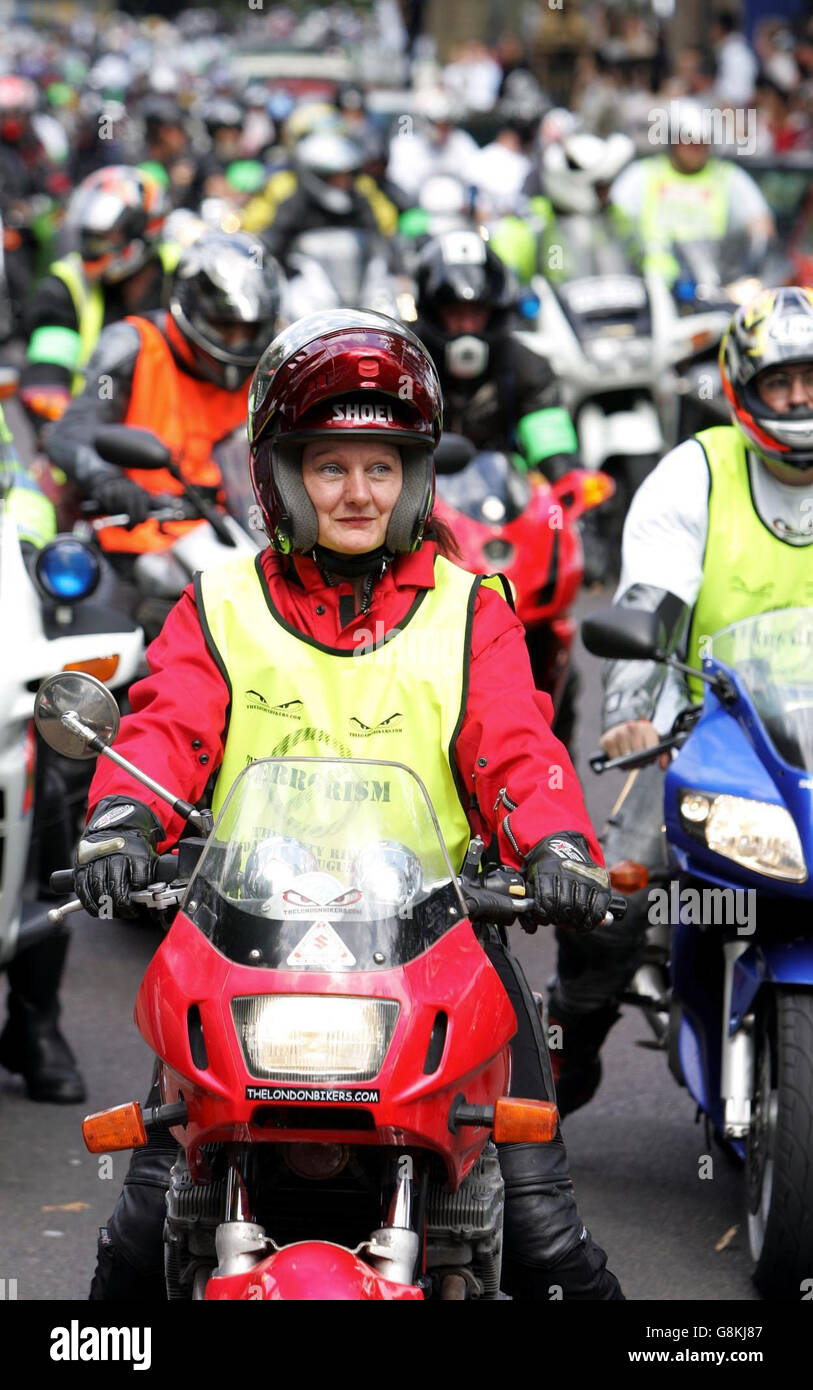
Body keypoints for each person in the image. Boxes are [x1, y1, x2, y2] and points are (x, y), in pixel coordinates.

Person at [73, 308, 622, 1301]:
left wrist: (558, 849)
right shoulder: (223, 601)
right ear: (284, 477)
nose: (358, 490)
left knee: (545, 1242)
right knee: (142, 1228)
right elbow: (166, 726)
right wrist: (120, 821)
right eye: (330, 466)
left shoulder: (471, 607)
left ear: (414, 478)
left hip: (437, 938)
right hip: (245, 945)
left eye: (381, 466)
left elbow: (518, 748)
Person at [549, 286, 813, 1116]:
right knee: (615, 893)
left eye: (812, 379)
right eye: (781, 383)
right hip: (704, 726)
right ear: (742, 389)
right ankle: (571, 1039)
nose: (799, 399)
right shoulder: (693, 472)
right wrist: (635, 712)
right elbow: (647, 604)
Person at [45, 230, 283, 561]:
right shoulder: (134, 347)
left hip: (240, 543)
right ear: (192, 306)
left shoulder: (272, 365)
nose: (238, 343)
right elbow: (72, 431)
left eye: (251, 330)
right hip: (135, 543)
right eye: (225, 326)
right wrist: (106, 480)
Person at [413, 230, 582, 482]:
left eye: (476, 312)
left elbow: (553, 448)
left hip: (506, 502)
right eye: (455, 312)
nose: (467, 326)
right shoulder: (406, 364)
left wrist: (569, 486)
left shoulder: (526, 364)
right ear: (434, 313)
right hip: (424, 498)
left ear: (494, 312)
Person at [20, 166, 178, 434]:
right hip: (95, 439)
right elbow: (47, 373)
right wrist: (62, 430)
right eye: (89, 236)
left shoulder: (185, 272)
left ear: (144, 228)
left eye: (106, 236)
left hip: (182, 438)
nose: (92, 248)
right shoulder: (67, 285)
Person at [609, 99, 774, 287]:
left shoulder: (728, 177)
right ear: (673, 138)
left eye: (702, 141)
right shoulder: (641, 175)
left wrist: (750, 268)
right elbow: (615, 224)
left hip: (713, 286)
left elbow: (760, 224)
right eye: (688, 139)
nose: (696, 146)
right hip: (649, 284)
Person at [242, 129, 397, 266]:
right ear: (318, 176)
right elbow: (274, 240)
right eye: (336, 177)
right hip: (305, 288)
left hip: (354, 285)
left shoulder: (357, 199)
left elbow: (378, 239)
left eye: (347, 176)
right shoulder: (297, 202)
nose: (343, 183)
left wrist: (398, 271)